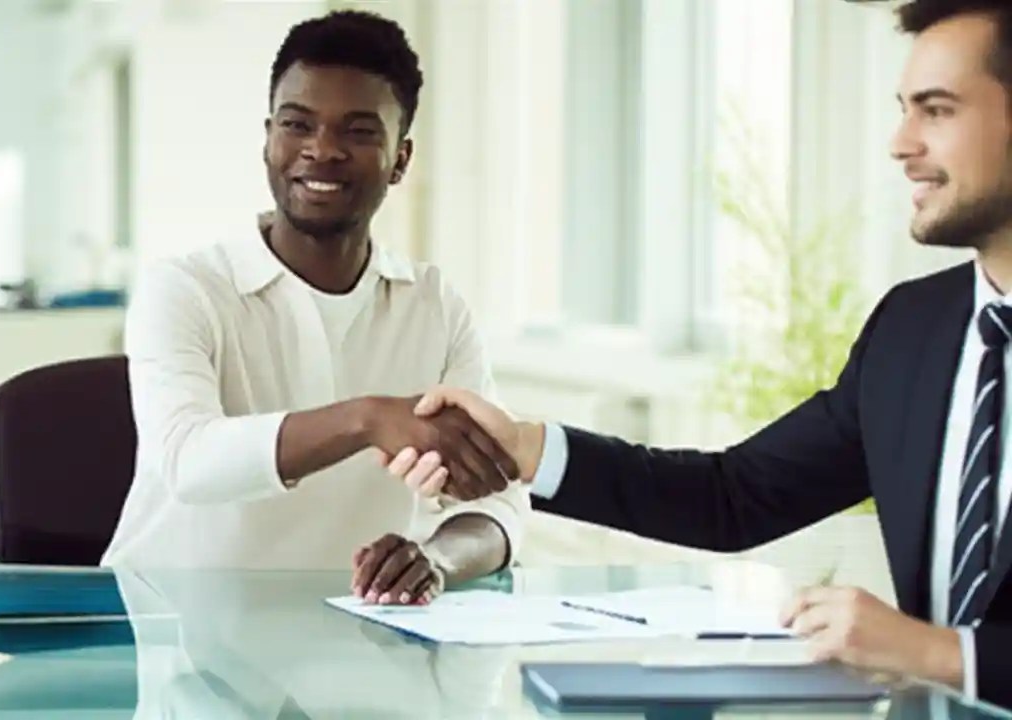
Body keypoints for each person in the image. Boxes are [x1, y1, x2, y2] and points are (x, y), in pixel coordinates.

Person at [384, 0, 1012, 707]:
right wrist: (524, 446)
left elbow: (943, 650)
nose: (900, 143)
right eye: (903, 108)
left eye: (936, 110)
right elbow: (733, 496)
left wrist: (939, 652)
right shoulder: (914, 331)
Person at [101, 10, 528, 607]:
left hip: (358, 646)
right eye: (298, 124)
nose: (321, 150)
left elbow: (500, 500)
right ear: (269, 138)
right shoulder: (183, 288)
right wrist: (367, 418)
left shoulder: (434, 305)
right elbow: (187, 461)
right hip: (179, 646)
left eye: (358, 132)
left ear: (400, 159)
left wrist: (436, 558)